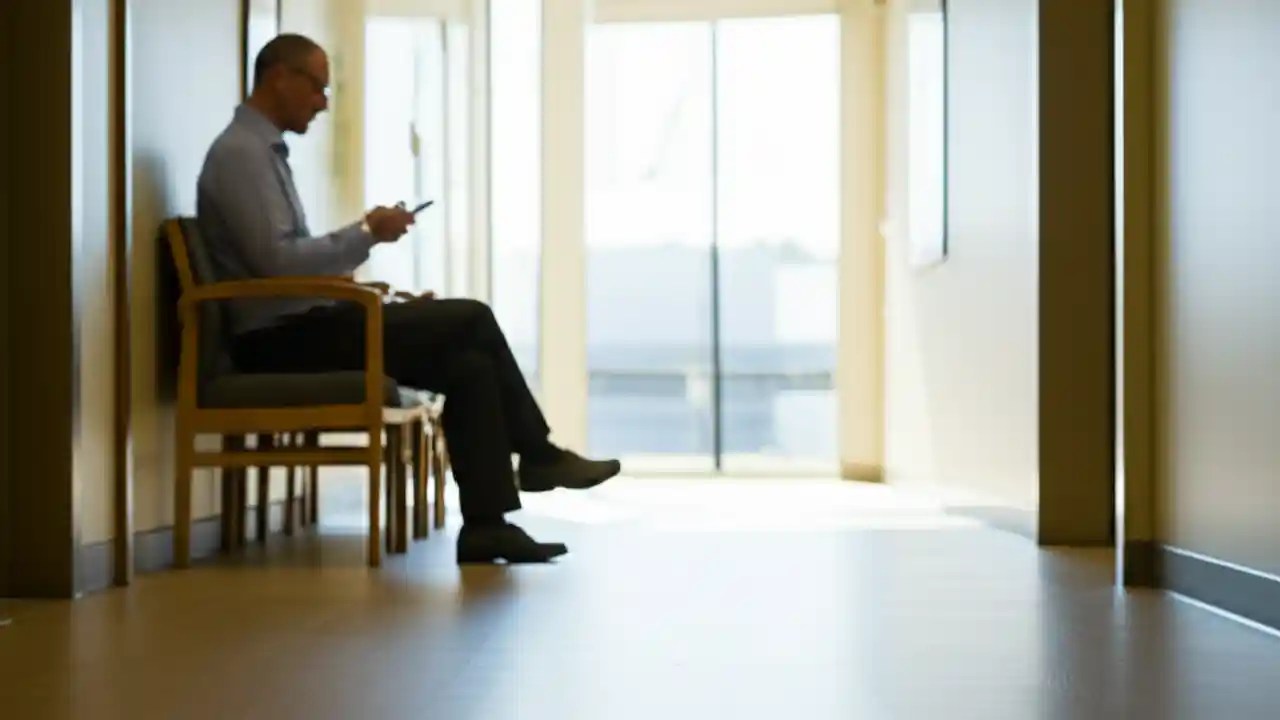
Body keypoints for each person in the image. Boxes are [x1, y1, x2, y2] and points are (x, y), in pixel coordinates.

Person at [196, 33, 620, 564]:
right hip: (278, 341)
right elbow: (278, 264)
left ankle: (487, 526)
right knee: (471, 317)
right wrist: (366, 233)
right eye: (318, 87)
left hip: (300, 326)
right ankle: (537, 453)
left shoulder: (260, 153)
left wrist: (353, 264)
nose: (323, 103)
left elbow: (282, 262)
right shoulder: (241, 154)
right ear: (279, 76)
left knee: (469, 366)